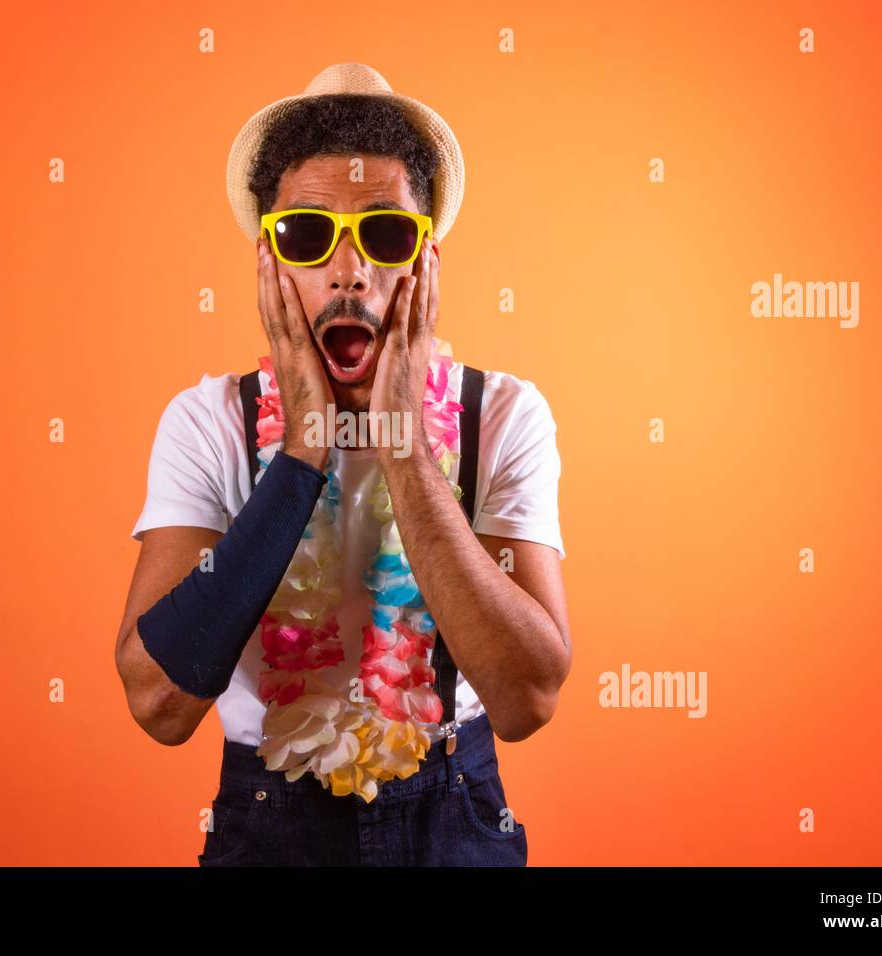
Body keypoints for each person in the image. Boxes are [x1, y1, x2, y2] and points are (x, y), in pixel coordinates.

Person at [114, 63, 571, 866]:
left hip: (454, 811)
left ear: (427, 260)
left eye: (387, 234)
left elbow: (527, 700)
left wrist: (402, 443)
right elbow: (159, 703)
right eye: (308, 234)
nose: (351, 270)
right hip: (268, 823)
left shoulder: (499, 416)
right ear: (269, 261)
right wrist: (300, 454)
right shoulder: (207, 424)